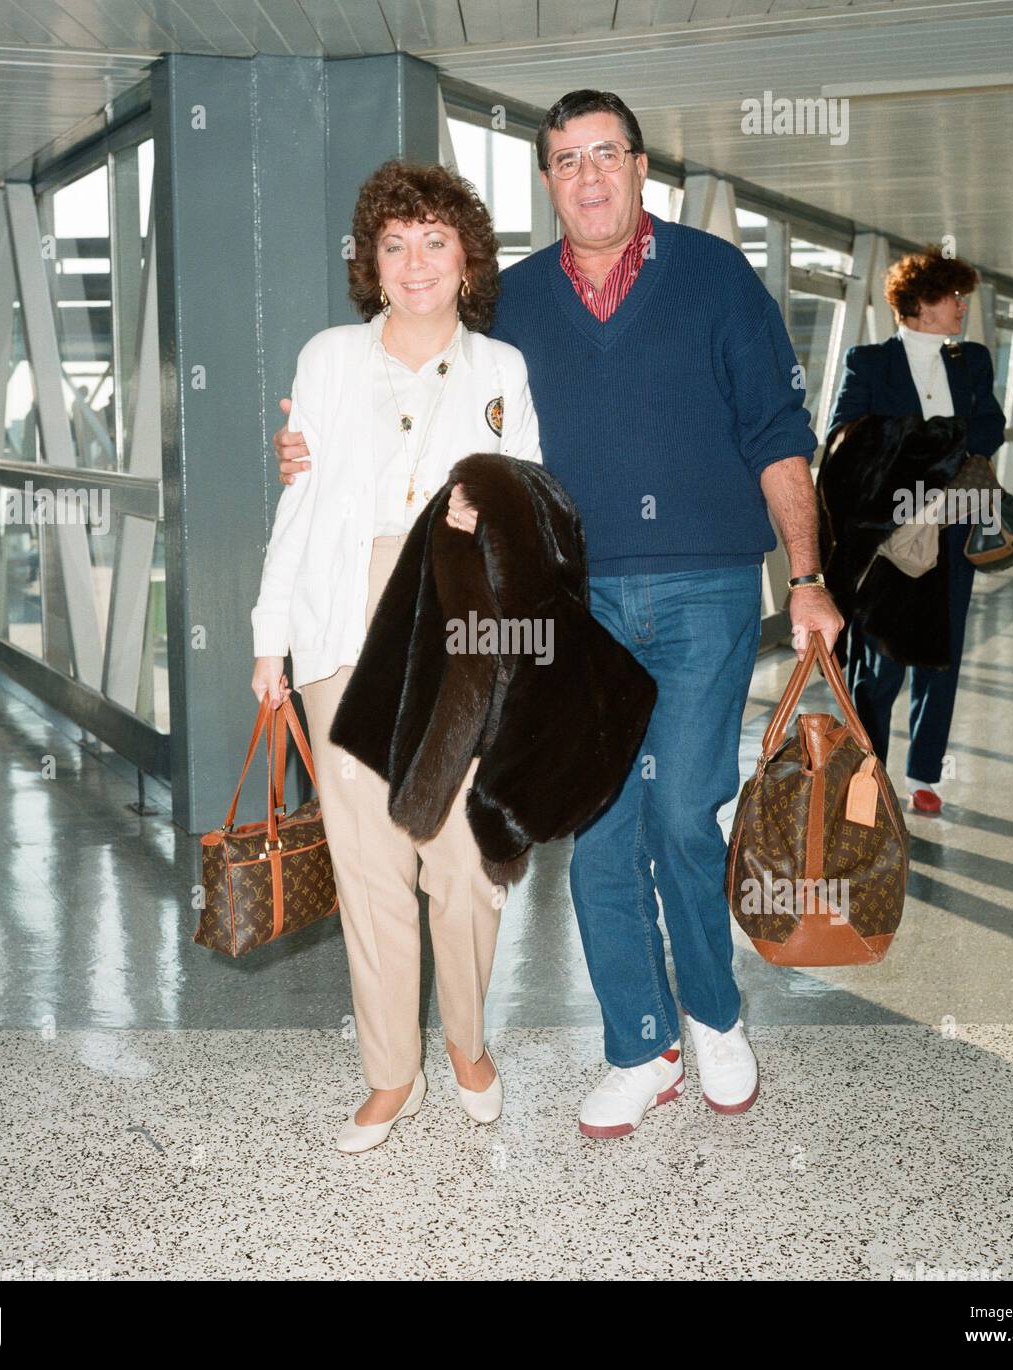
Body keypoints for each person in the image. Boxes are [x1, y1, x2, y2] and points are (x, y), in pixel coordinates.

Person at [276, 91, 844, 1140]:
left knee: (680, 812)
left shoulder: (716, 279)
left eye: (605, 155)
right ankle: (639, 1043)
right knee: (595, 827)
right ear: (546, 182)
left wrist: (805, 576)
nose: (587, 177)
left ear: (640, 167)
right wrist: (309, 447)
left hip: (704, 585)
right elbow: (428, 391)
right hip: (575, 609)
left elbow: (777, 434)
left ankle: (713, 1013)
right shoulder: (518, 306)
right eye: (565, 161)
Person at [251, 160, 542, 1154]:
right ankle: (391, 1072)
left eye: (433, 242)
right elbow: (301, 498)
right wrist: (268, 636)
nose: (414, 262)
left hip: (455, 617)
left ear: (466, 260)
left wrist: (488, 514)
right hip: (344, 616)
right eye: (393, 243)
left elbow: (534, 507)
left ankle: (466, 1041)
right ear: (370, 262)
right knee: (368, 859)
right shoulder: (328, 357)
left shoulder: (500, 369)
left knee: (461, 858)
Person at [829, 247, 1006, 816]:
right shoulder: (870, 361)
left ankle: (924, 773)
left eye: (961, 298)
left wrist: (925, 442)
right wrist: (933, 442)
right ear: (920, 304)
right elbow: (844, 434)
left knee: (942, 656)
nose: (960, 307)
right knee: (879, 663)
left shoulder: (972, 360)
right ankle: (869, 771)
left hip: (952, 526)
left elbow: (990, 426)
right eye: (951, 297)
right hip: (889, 536)